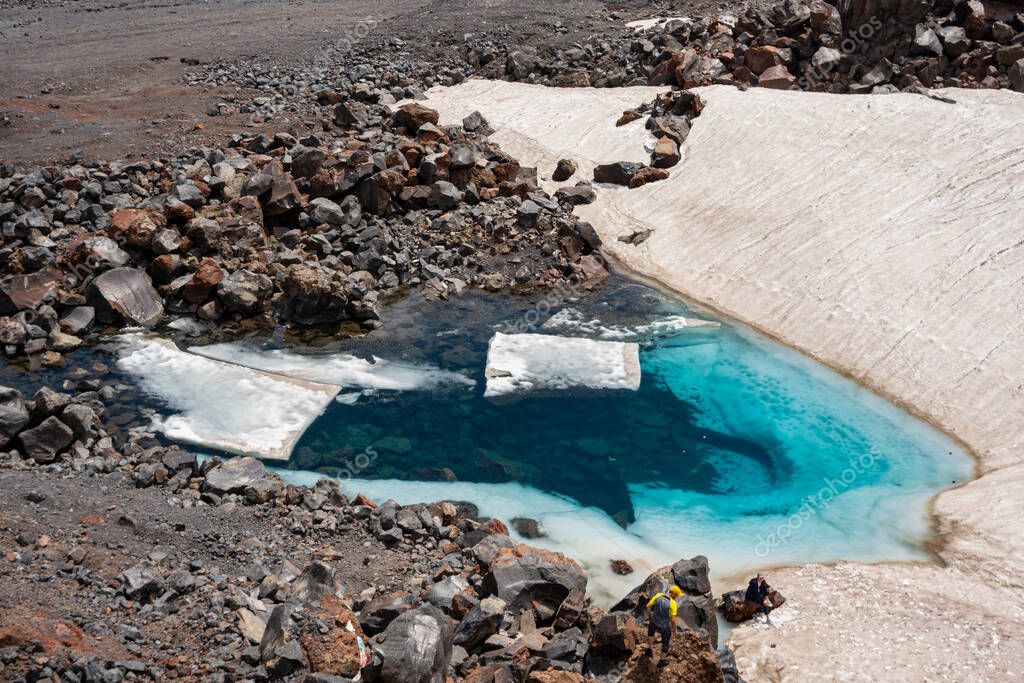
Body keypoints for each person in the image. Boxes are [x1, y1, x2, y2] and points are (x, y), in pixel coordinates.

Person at [644, 585, 682, 665]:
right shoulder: (673, 604)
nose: (678, 597)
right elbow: (673, 620)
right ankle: (661, 661)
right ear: (674, 594)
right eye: (677, 595)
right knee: (666, 642)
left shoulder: (658, 595)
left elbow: (648, 606)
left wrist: (650, 617)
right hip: (664, 626)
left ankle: (649, 650)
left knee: (651, 633)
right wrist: (675, 630)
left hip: (654, 621)